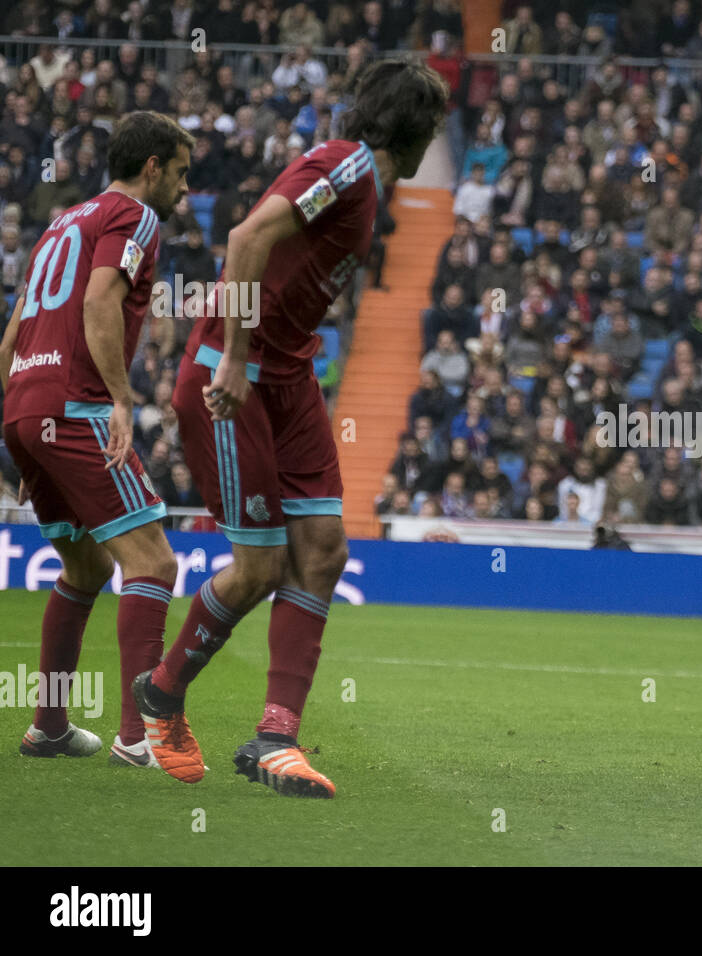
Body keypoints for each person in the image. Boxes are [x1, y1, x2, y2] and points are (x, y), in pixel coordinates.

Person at [134, 60, 450, 798]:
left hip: (290, 377)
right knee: (260, 568)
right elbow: (245, 239)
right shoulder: (347, 166)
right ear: (418, 127)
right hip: (232, 373)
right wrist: (238, 357)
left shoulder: (369, 186)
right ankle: (164, 690)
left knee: (325, 550)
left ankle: (276, 737)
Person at [0, 112, 192, 767]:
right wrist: (119, 397)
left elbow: (14, 333)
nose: (185, 190)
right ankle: (138, 740)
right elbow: (99, 303)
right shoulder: (135, 217)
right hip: (74, 403)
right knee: (154, 564)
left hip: (27, 403)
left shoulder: (61, 223)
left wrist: (21, 434)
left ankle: (49, 728)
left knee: (84, 567)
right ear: (152, 167)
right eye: (182, 173)